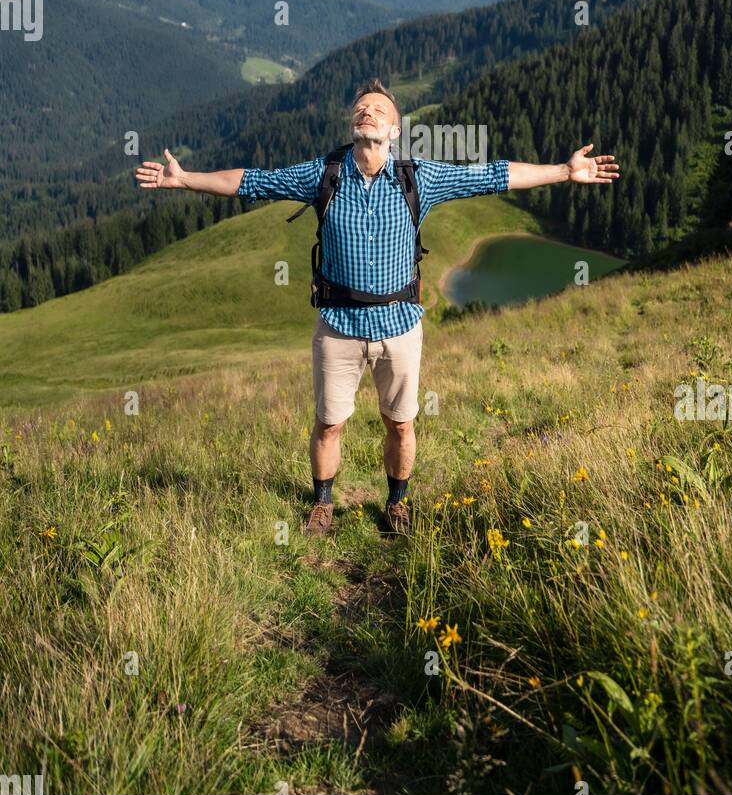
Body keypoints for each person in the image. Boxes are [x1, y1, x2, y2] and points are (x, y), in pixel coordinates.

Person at [135, 78, 618, 537]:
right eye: (360, 108)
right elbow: (254, 182)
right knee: (328, 423)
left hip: (401, 327)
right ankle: (323, 503)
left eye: (379, 110)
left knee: (401, 423)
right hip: (338, 327)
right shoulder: (323, 174)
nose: (367, 112)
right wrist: (184, 180)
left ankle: (397, 503)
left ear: (393, 131)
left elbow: (491, 175)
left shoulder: (418, 178)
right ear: (354, 126)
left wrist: (563, 171)